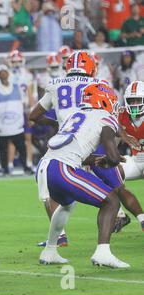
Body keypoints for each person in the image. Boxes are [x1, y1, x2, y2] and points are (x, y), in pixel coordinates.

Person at [29, 50, 142, 247]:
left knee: (51, 187)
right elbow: (111, 116)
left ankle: (60, 237)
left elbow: (33, 116)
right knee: (117, 187)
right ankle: (134, 218)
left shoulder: (56, 84)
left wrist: (56, 124)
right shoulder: (99, 84)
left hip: (67, 143)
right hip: (96, 139)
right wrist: (122, 135)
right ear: (91, 67)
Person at [37, 82, 130, 268]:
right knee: (111, 200)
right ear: (104, 100)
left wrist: (99, 159)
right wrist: (110, 159)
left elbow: (74, 149)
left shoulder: (74, 114)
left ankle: (50, 250)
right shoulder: (104, 117)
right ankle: (103, 252)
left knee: (66, 204)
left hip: (44, 167)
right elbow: (113, 157)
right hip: (62, 169)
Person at [0, 65, 30, 176]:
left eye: (5, 72)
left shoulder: (17, 87)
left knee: (22, 148)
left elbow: (24, 104)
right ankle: (5, 168)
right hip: (1, 126)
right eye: (1, 72)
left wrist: (28, 118)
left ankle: (26, 167)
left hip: (17, 125)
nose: (3, 74)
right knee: (3, 149)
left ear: (8, 74)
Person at [115, 81, 144, 232]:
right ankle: (120, 215)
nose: (134, 104)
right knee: (110, 172)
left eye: (137, 100)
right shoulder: (121, 114)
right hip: (136, 159)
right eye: (131, 100)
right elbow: (114, 141)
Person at [7, 49, 35, 172]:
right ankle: (10, 164)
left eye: (18, 61)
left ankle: (28, 163)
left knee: (28, 138)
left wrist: (32, 111)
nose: (16, 64)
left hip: (24, 109)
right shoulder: (7, 74)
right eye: (14, 61)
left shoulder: (27, 75)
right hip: (13, 108)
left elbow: (31, 95)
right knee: (12, 138)